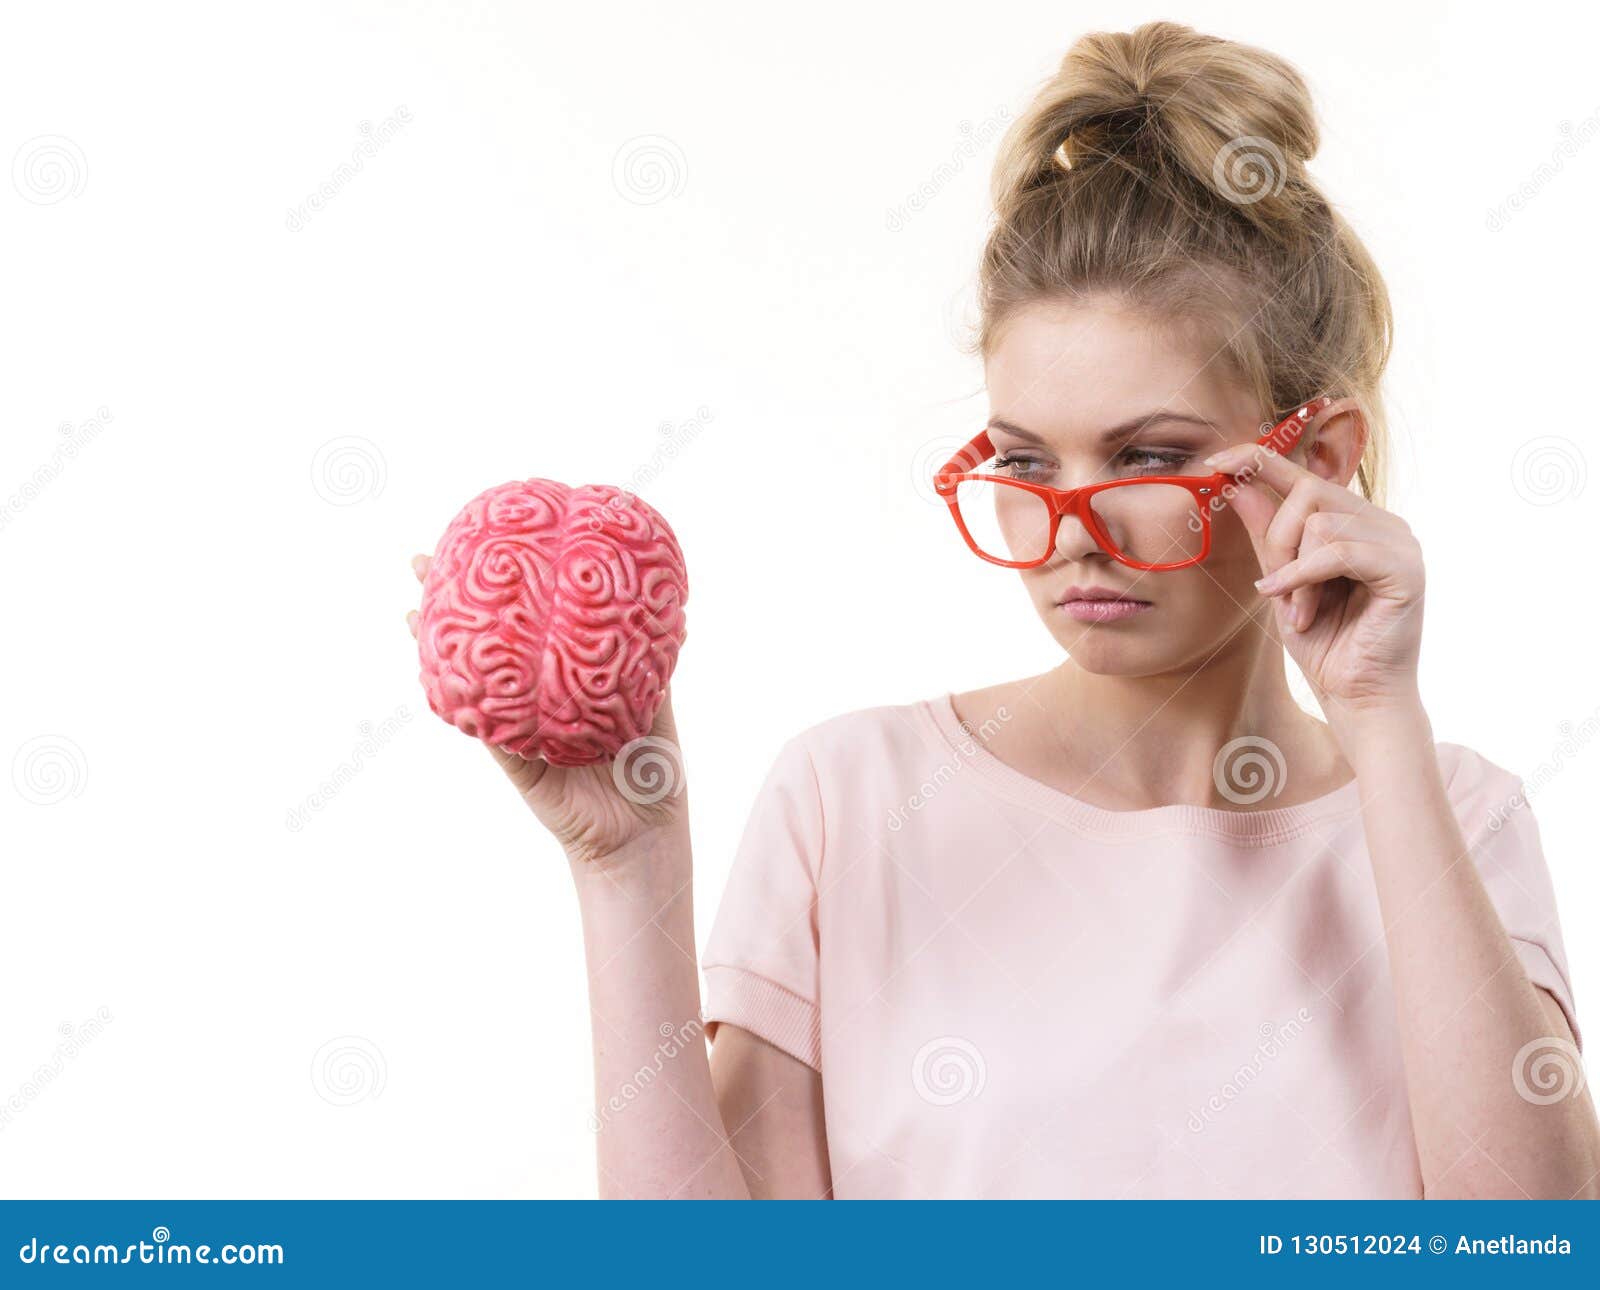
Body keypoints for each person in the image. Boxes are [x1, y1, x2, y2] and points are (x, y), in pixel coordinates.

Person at [409, 21, 1597, 1198]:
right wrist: (627, 869)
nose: (1071, 531)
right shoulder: (849, 798)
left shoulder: (1456, 818)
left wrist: (1379, 717)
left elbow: (1533, 1245)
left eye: (1147, 458)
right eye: (1026, 466)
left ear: (1322, 458)